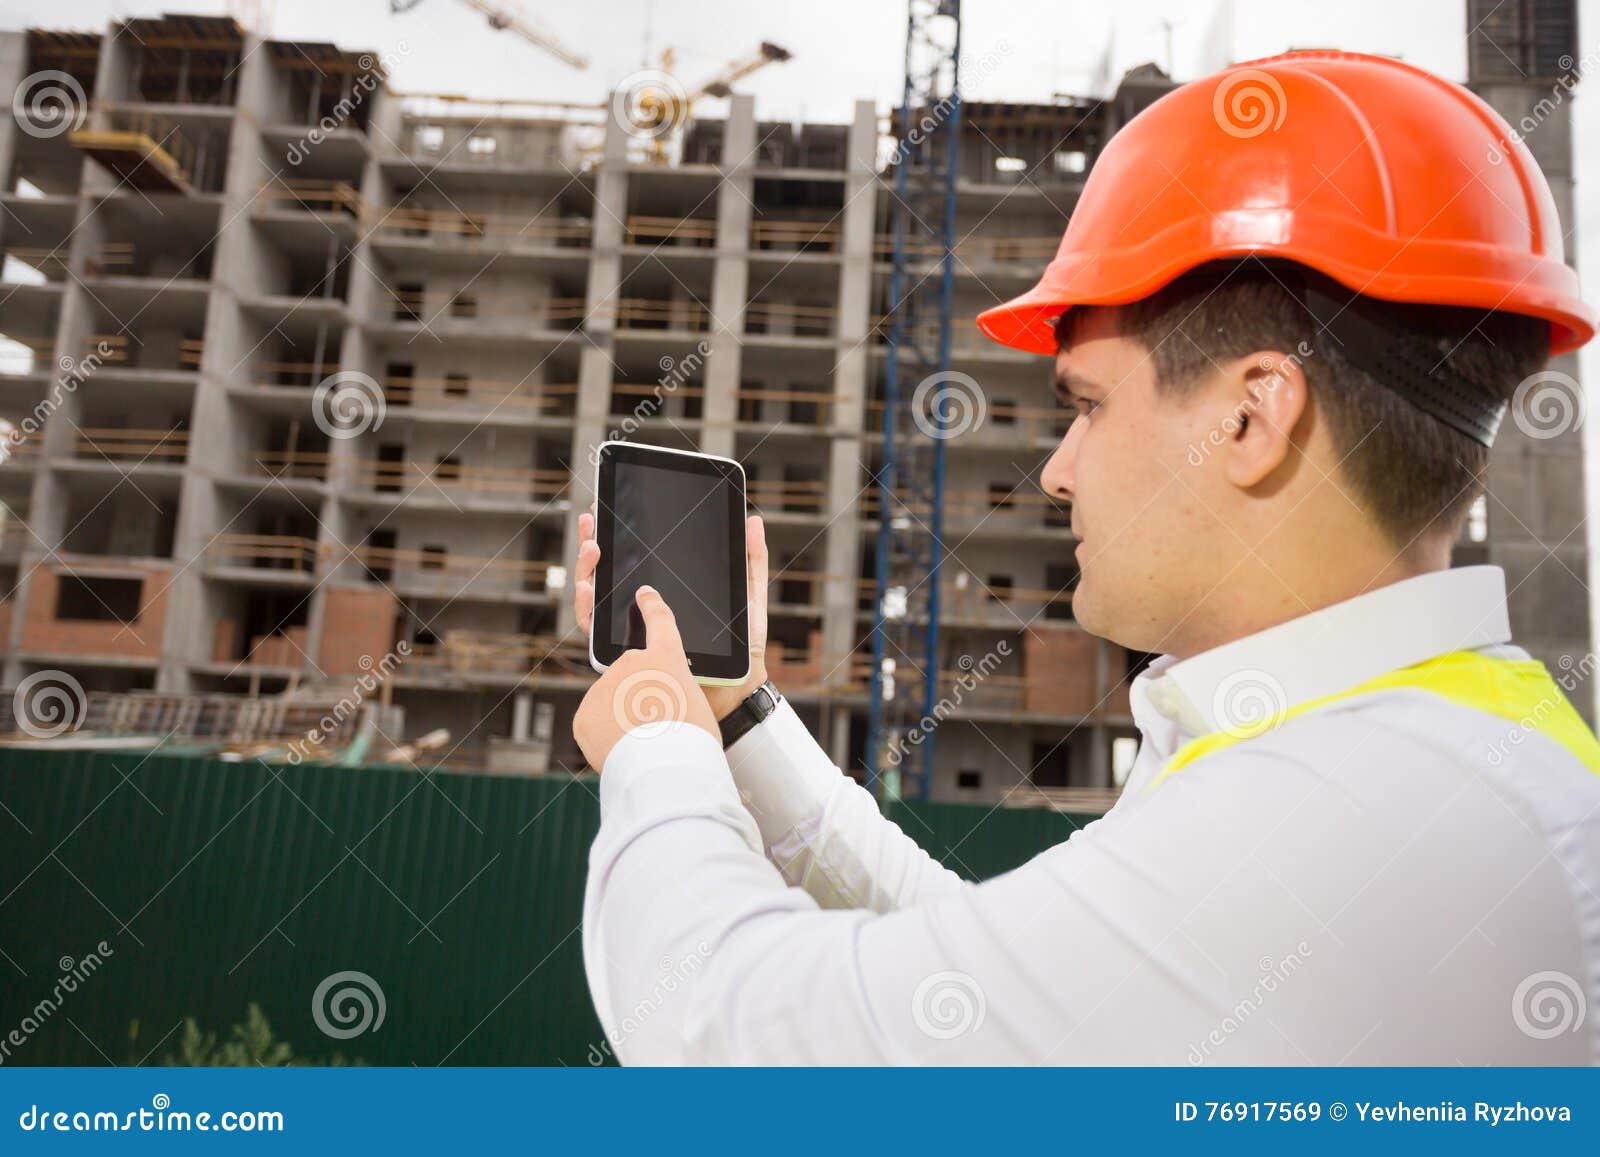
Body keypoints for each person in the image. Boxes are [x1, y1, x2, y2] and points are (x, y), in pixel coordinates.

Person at [570, 50, 1600, 1063]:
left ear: (1250, 416)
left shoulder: (1355, 814)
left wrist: (654, 745)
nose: (1058, 472)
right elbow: (1000, 994)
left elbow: (728, 1032)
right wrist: (735, 712)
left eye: (1087, 405)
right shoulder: (1390, 749)